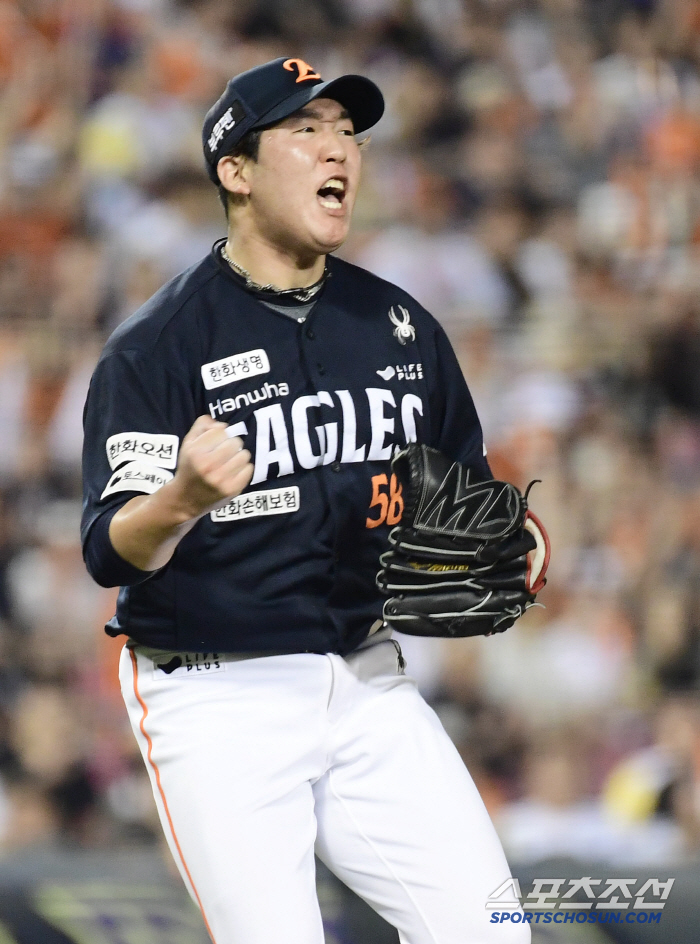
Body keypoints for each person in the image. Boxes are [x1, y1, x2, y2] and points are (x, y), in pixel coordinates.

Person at [81, 57, 529, 944]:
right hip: (218, 690)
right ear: (235, 171)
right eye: (306, 130)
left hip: (367, 681)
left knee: (491, 932)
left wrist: (504, 546)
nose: (340, 151)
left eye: (348, 133)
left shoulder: (399, 326)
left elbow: (466, 504)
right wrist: (179, 498)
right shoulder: (157, 348)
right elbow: (108, 551)